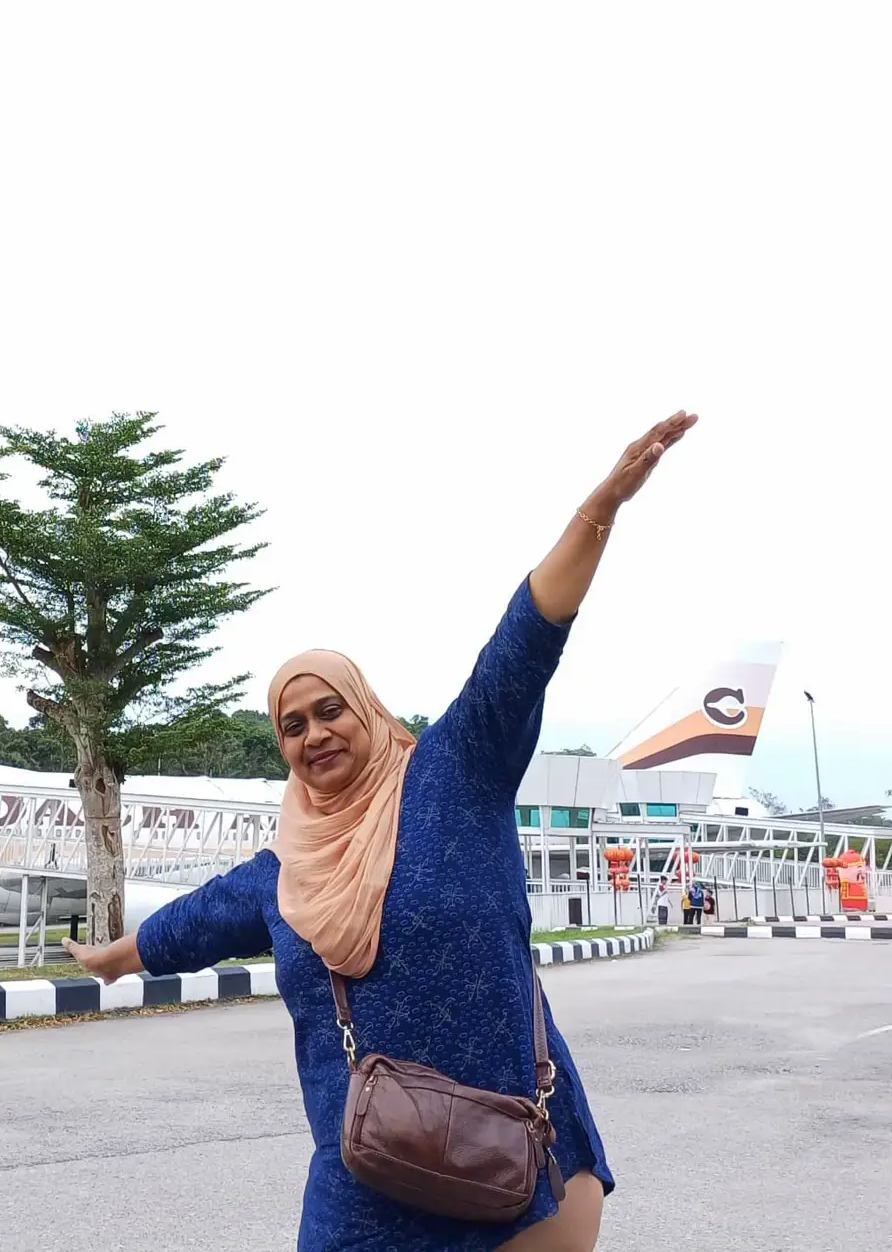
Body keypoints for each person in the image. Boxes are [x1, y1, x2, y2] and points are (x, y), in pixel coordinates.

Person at [66, 411, 698, 1252]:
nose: (315, 734)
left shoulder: (454, 772)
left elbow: (522, 644)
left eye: (331, 709)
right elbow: (196, 922)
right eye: (293, 725)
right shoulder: (285, 871)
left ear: (367, 710)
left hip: (511, 1156)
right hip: (367, 1177)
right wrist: (113, 958)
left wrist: (601, 508)